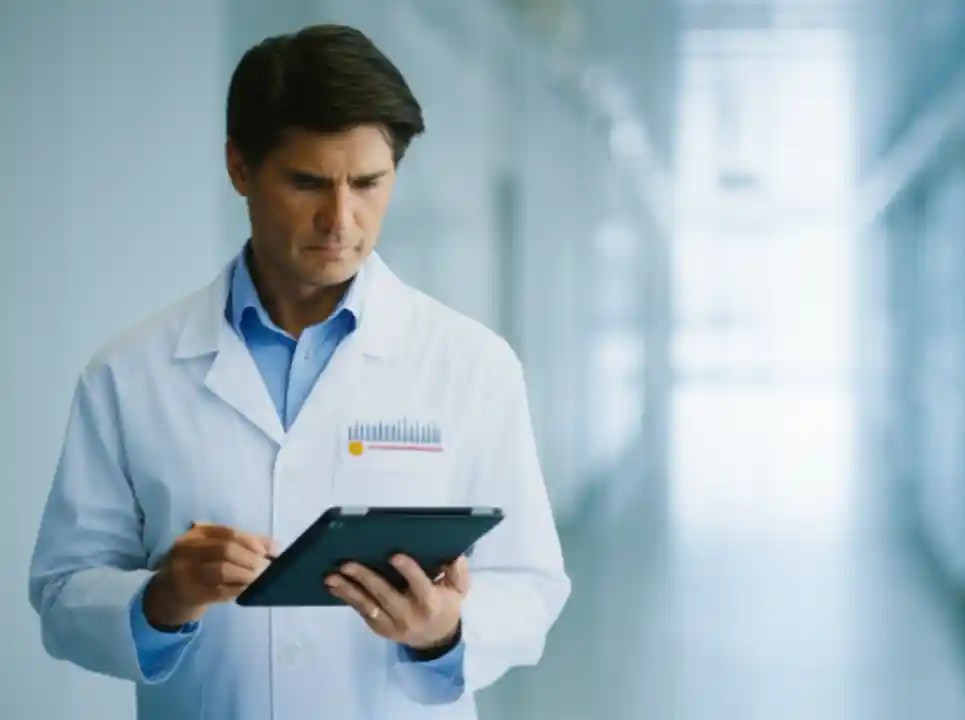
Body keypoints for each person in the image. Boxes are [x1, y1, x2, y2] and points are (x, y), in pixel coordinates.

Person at [28, 24, 570, 720]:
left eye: (368, 183)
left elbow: (530, 583)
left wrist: (444, 631)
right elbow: (64, 593)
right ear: (240, 168)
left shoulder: (471, 364)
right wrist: (160, 600)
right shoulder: (131, 373)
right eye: (307, 182)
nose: (340, 219)